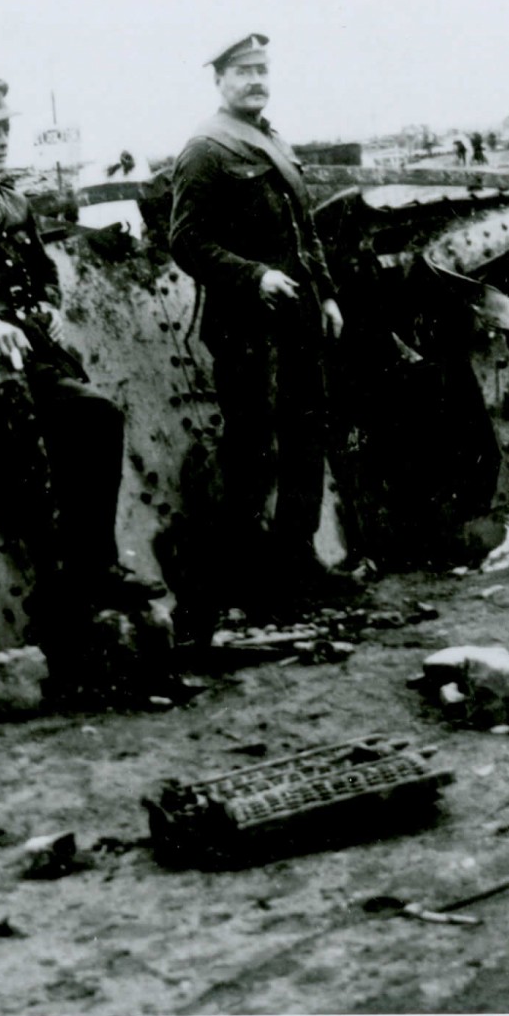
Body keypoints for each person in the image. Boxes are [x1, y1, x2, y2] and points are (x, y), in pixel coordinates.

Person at [0, 80, 163, 629]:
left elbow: (43, 270)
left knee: (94, 420)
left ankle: (93, 569)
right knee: (50, 448)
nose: (2, 140)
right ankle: (71, 584)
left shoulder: (13, 202)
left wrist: (48, 303)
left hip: (31, 354)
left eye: (5, 130)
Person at [168, 33, 354, 617]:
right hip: (244, 322)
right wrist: (253, 277)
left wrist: (326, 295)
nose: (255, 80)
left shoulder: (272, 139)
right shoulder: (205, 147)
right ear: (219, 80)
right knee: (251, 449)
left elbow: (305, 231)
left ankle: (297, 561)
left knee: (305, 438)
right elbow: (185, 241)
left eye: (262, 70)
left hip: (298, 315)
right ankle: (247, 581)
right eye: (243, 71)